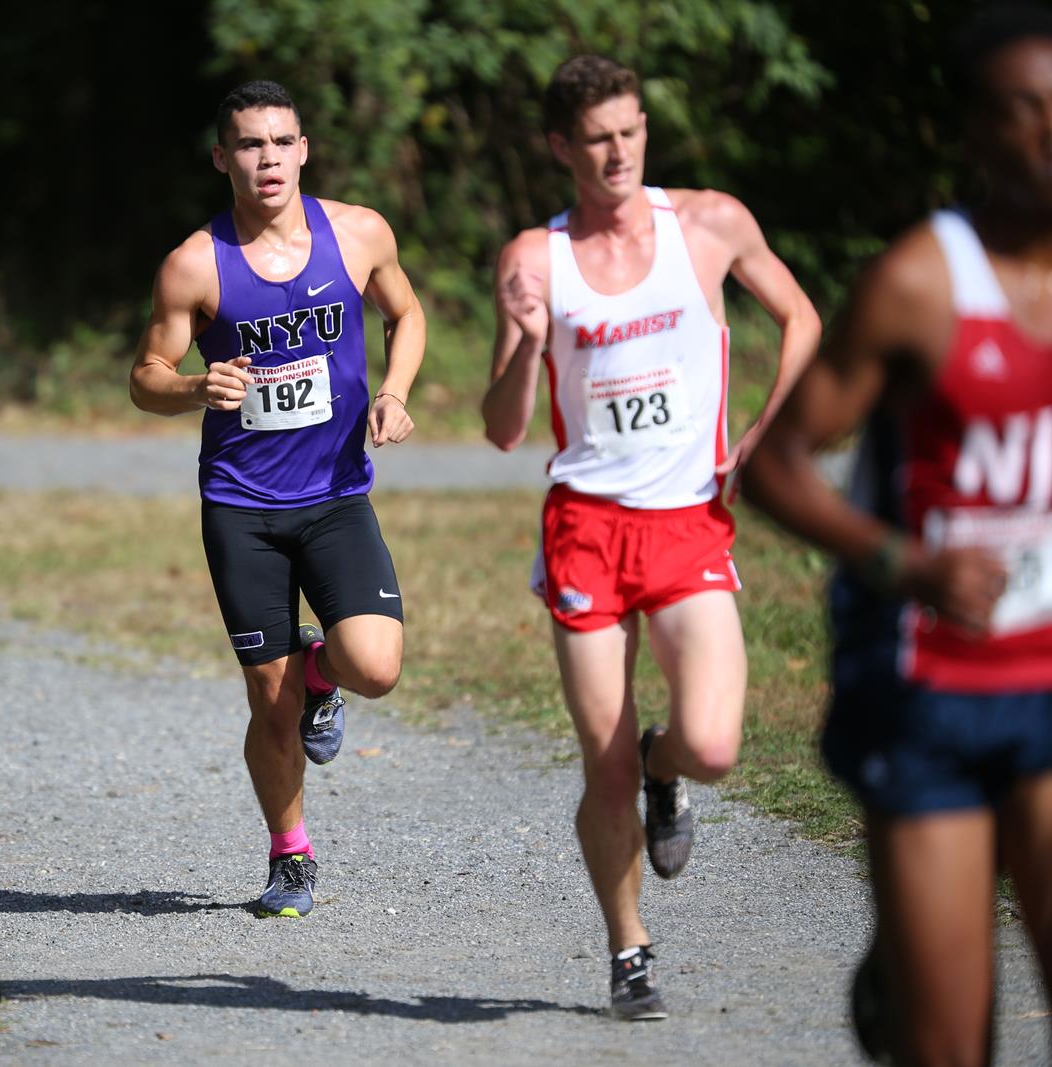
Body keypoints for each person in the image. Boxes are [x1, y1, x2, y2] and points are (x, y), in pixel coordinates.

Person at [481, 55, 819, 1019]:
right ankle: (629, 949)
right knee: (606, 766)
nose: (619, 150)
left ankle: (668, 773)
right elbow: (502, 428)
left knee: (711, 743)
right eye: (597, 137)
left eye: (630, 130)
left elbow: (801, 319)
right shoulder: (533, 259)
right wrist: (531, 343)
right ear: (562, 146)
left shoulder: (708, 223)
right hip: (586, 529)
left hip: (687, 524)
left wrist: (765, 433)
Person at [745, 8, 1052, 1063]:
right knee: (948, 1043)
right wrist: (904, 562)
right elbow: (776, 465)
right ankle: (917, 945)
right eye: (1023, 110)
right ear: (974, 132)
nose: (1049, 133)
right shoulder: (918, 283)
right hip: (932, 694)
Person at [128, 80, 425, 919]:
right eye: (250, 144)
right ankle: (290, 854)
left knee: (376, 665)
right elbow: (146, 377)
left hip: (335, 495)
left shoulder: (359, 233)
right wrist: (195, 386)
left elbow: (406, 314)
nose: (268, 159)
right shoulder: (194, 263)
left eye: (281, 141)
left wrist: (395, 391)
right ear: (222, 157)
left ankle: (322, 674)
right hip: (242, 506)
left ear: (304, 150)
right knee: (270, 700)